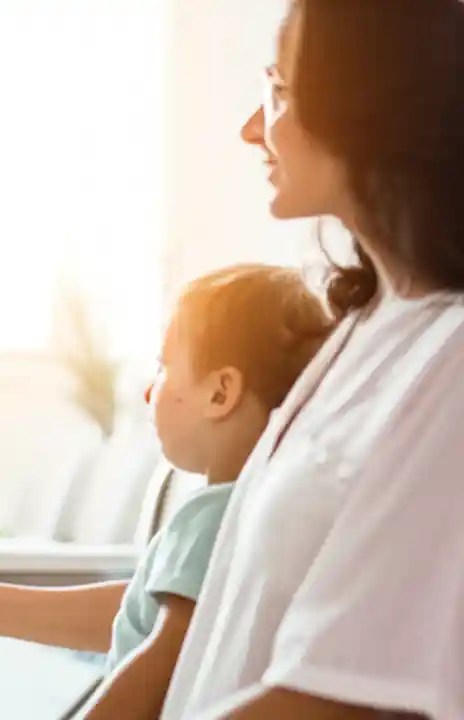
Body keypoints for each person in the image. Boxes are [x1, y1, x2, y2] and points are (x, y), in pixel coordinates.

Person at [156, 1, 464, 716]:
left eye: (281, 91)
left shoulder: (447, 355)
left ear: (369, 110)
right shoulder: (366, 322)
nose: (251, 127)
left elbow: (335, 698)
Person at [0, 264, 332, 718]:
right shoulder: (254, 509)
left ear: (220, 392)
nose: (148, 392)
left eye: (164, 367)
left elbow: (159, 663)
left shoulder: (213, 517)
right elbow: (141, 610)